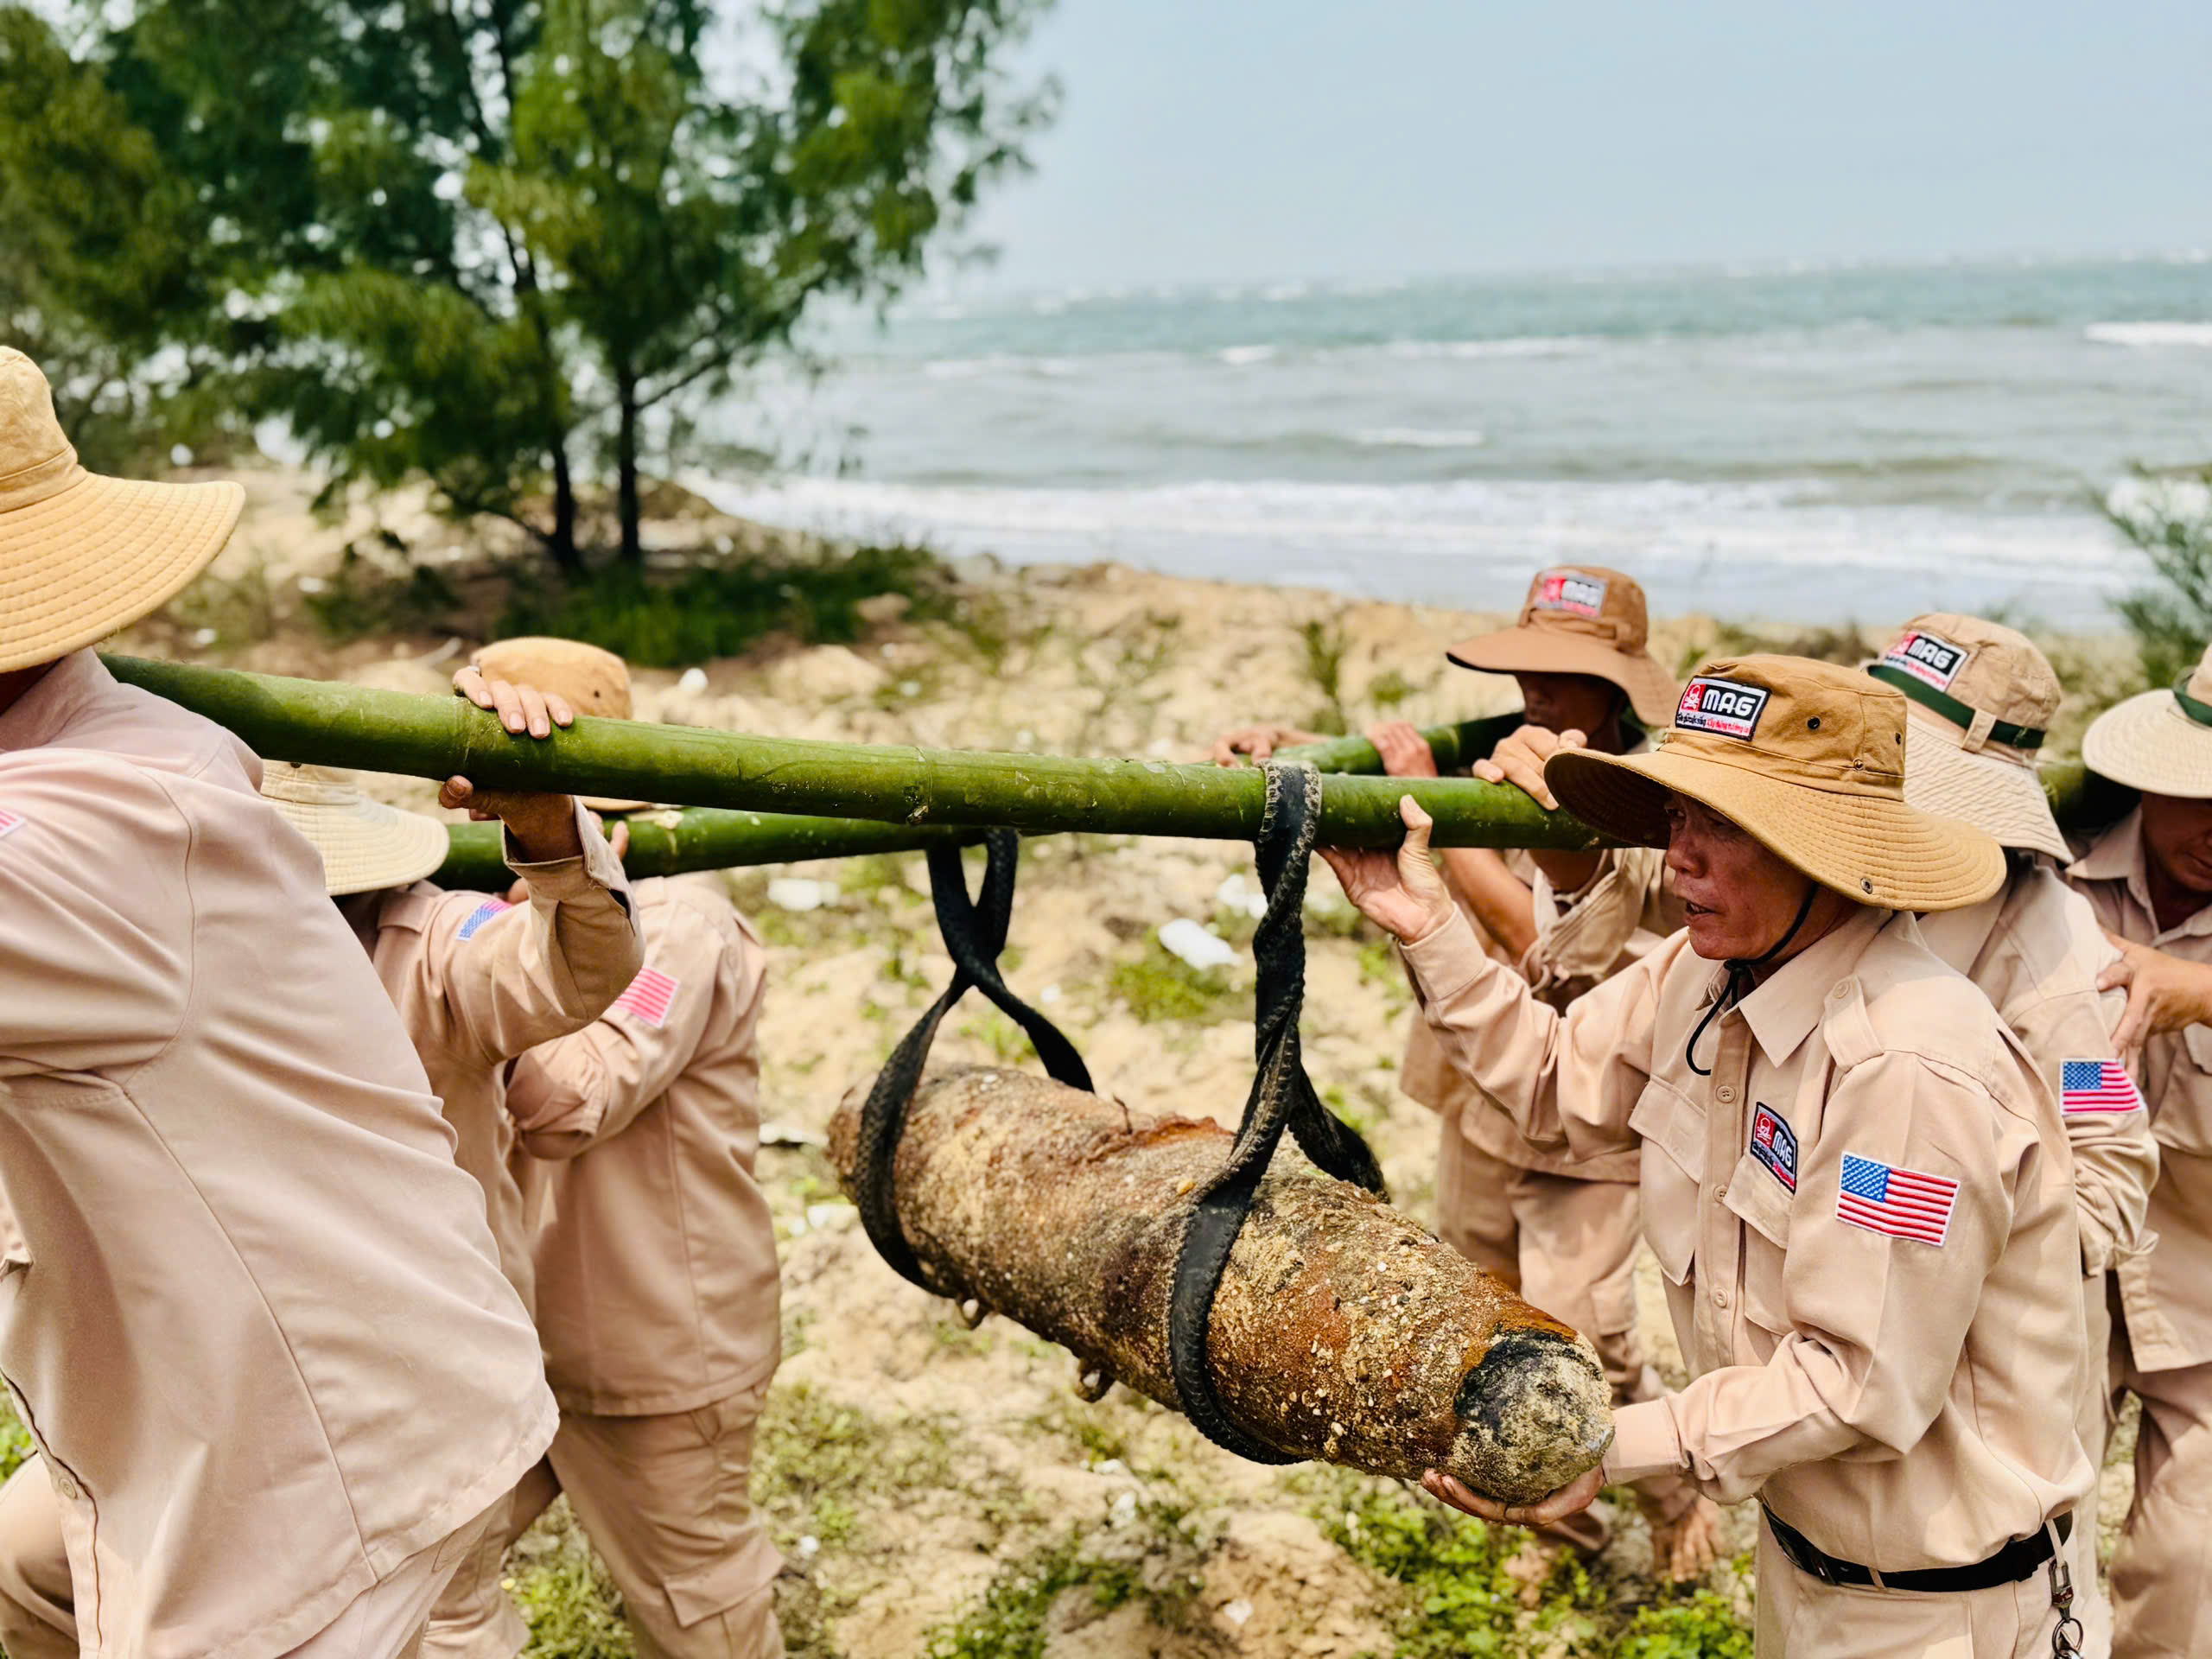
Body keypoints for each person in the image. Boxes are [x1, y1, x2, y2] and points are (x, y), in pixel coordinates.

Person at [1325, 655, 2091, 1658]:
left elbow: (1854, 1384)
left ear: (1821, 845)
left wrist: (1605, 1446)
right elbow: (1556, 1082)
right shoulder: (1706, 973)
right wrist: (1428, 926)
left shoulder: (1905, 1064)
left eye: (1720, 823)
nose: (1677, 855)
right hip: (1803, 1568)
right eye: (1675, 813)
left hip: (1944, 1614)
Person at [0, 344, 558, 1658]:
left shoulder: (107, 827)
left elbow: (570, 1024)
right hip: (270, 1383)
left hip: (328, 1447)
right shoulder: (131, 765)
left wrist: (558, 853)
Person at [1213, 563, 1719, 1576]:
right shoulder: (1492, 746)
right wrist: (1290, 751)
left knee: (1588, 1332)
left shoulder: (1653, 798)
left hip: (1592, 1116)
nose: (1536, 687)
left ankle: (1669, 1501)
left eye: (1562, 672)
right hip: (1483, 1093)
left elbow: (1542, 943)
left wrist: (1433, 838)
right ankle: (1553, 1526)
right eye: (1527, 665)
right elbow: (1389, 763)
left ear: (1616, 686)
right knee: (1484, 1311)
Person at [435, 637, 785, 1659]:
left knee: (697, 1609)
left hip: (655, 1344)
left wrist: (504, 971)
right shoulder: (487, 914)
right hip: (524, 1336)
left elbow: (572, 1102)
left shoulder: (676, 925)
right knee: (422, 1577)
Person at [1866, 613, 2158, 1651]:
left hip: (1993, 1378)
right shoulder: (1847, 881)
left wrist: (1929, 1219)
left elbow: (2108, 1152)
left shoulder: (2050, 950)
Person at [2063, 642, 2212, 1659]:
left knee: (2190, 1566)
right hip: (2051, 1281)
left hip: (2204, 1297)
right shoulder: (2044, 875)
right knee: (2025, 1539)